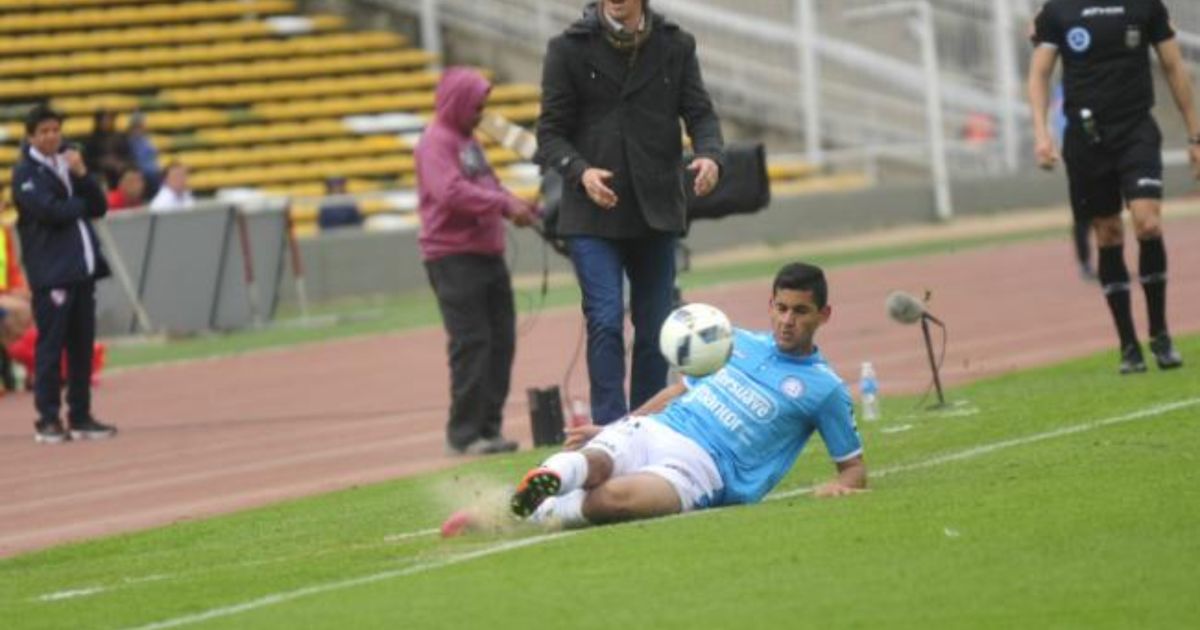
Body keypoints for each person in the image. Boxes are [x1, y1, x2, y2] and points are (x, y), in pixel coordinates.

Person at [492, 262, 865, 531]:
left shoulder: (824, 388)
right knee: (597, 460)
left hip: (703, 469)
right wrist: (612, 425)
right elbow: (678, 390)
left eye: (801, 311)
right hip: (656, 429)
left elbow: (853, 467)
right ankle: (547, 481)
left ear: (824, 315)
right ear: (770, 306)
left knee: (612, 499)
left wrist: (842, 486)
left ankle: (536, 507)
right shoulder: (732, 342)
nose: (788, 320)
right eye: (781, 308)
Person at [536, 0, 724, 425]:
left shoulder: (676, 44)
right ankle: (608, 428)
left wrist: (711, 155)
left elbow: (701, 114)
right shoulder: (567, 48)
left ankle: (646, 424)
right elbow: (549, 134)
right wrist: (580, 173)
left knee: (655, 327)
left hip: (656, 208)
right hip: (592, 213)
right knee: (604, 320)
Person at [1028, 0, 1199, 374]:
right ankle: (1128, 345)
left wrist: (1195, 136)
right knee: (1107, 234)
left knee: (1148, 222)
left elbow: (1173, 66)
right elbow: (1040, 73)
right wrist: (1041, 134)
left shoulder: (1146, 5)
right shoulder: (1058, 10)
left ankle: (1160, 334)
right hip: (1087, 139)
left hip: (1136, 129)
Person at [415, 67, 539, 456]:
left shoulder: (471, 142)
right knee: (472, 343)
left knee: (501, 340)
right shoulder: (435, 141)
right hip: (453, 256)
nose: (480, 113)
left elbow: (488, 185)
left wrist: (520, 206)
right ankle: (464, 435)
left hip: (488, 253)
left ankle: (489, 428)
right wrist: (504, 204)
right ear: (457, 102)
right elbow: (450, 191)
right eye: (476, 105)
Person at [11, 103, 116, 443]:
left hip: (82, 270)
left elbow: (99, 206)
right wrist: (79, 204)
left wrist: (83, 175)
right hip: (53, 274)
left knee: (82, 347)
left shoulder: (70, 162)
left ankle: (81, 415)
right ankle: (47, 418)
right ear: (31, 136)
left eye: (55, 130)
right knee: (51, 348)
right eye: (43, 131)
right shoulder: (25, 174)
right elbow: (50, 212)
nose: (51, 136)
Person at [82, 108, 130, 189]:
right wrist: (101, 162)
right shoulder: (92, 140)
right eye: (104, 120)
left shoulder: (120, 137)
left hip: (119, 169)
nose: (106, 122)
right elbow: (87, 160)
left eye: (108, 120)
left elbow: (128, 155)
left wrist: (121, 163)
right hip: (100, 171)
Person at [126, 110, 161, 198]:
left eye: (140, 126)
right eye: (136, 127)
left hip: (152, 170)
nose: (139, 129)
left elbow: (154, 155)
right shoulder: (129, 141)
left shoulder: (146, 140)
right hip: (141, 171)